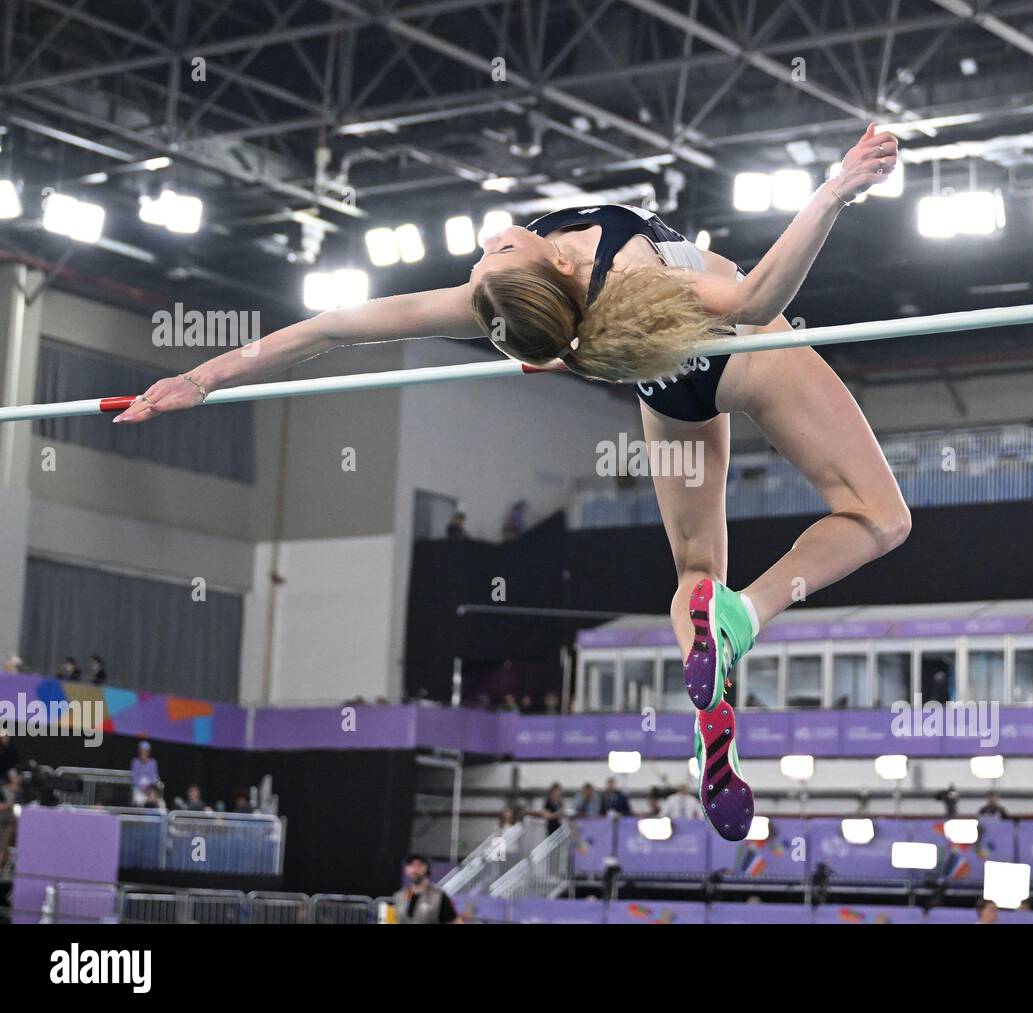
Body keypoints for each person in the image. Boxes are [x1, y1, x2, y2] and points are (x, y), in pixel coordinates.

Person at [111, 124, 905, 847]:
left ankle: (708, 699)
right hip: (743, 350)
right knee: (878, 516)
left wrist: (204, 374)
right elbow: (757, 298)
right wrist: (835, 189)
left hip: (665, 390)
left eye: (484, 259)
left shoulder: (496, 300)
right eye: (495, 257)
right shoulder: (623, 267)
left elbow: (327, 329)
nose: (483, 253)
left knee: (695, 569)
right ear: (555, 261)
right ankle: (749, 610)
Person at [392, 854, 459, 924]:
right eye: (411, 865)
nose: (415, 869)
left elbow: (455, 921)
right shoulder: (399, 896)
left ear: (426, 868)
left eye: (419, 865)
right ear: (406, 869)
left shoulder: (438, 896)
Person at [130, 741, 159, 807]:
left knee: (160, 803)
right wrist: (144, 790)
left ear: (149, 752)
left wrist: (151, 791)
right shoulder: (135, 762)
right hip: (138, 790)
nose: (143, 753)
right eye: (142, 751)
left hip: (150, 791)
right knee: (139, 801)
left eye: (146, 751)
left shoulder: (153, 762)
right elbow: (135, 780)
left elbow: (153, 779)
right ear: (139, 751)